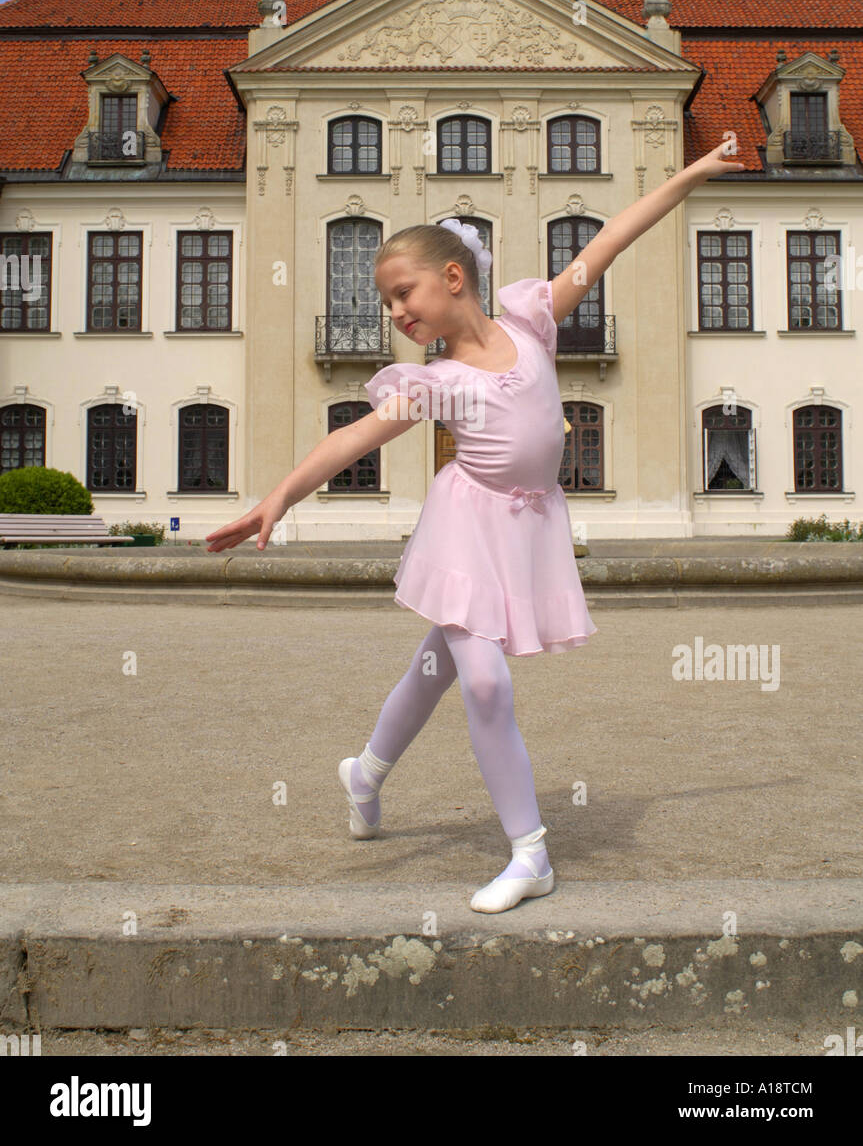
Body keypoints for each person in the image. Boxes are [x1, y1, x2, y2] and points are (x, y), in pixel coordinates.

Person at [205, 138, 745, 913]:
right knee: (485, 680)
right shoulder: (438, 382)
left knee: (435, 670)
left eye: (402, 293)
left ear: (453, 277)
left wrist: (691, 173)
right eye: (387, 301)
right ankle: (530, 854)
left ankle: (364, 773)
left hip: (524, 528)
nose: (394, 312)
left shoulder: (532, 322)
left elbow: (611, 238)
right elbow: (350, 437)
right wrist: (280, 496)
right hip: (466, 527)